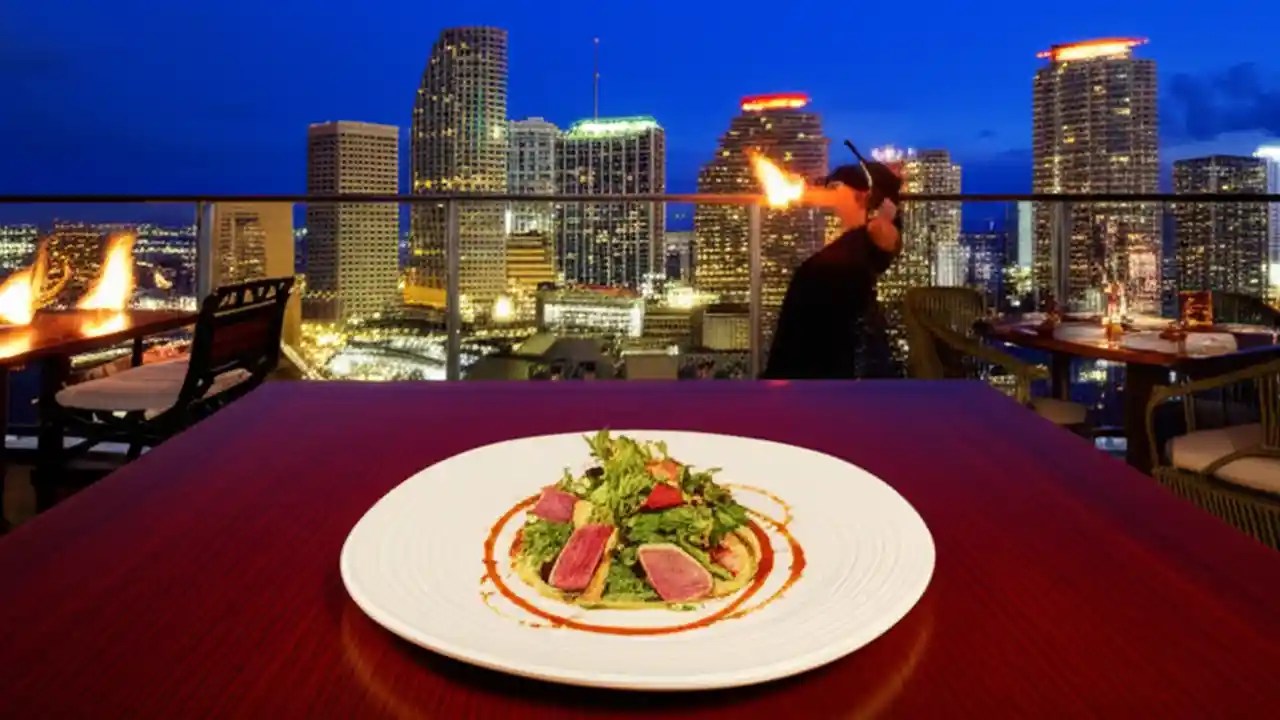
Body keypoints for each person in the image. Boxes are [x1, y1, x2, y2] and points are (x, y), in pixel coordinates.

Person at [762, 155, 904, 379]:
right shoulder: (855, 248)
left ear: (863, 197)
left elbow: (884, 233)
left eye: (839, 191)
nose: (834, 201)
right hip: (817, 363)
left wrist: (884, 211)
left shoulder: (869, 240)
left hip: (814, 370)